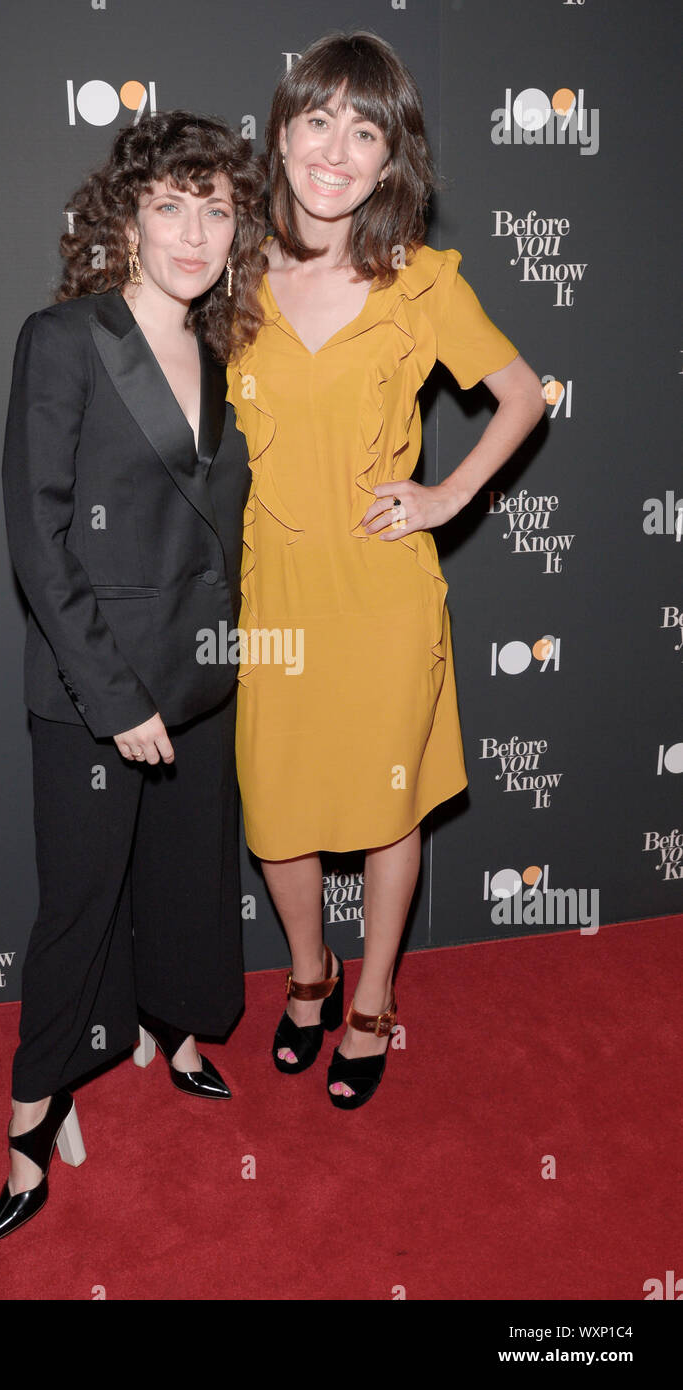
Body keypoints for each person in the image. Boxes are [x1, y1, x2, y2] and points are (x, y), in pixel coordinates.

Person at [224, 32, 546, 1108]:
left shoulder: (418, 283)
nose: (335, 150)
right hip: (268, 594)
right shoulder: (226, 275)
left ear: (388, 156)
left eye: (364, 130)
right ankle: (305, 976)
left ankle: (368, 997)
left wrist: (447, 496)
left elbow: (521, 394)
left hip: (382, 594)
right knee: (276, 810)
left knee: (384, 811)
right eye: (317, 120)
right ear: (280, 133)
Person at [0, 111, 267, 1242]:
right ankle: (30, 1112)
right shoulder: (65, 340)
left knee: (189, 883)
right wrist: (117, 700)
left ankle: (177, 1027)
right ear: (128, 216)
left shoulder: (222, 354)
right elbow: (37, 538)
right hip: (96, 693)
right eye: (170, 206)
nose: (194, 232)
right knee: (80, 905)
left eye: (215, 209)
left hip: (203, 678)